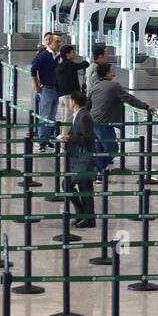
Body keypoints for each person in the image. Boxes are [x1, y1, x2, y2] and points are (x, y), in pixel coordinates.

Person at [87, 61, 155, 173]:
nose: (113, 75)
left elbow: (88, 104)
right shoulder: (114, 86)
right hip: (103, 123)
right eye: (111, 72)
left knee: (98, 149)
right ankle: (96, 171)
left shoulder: (94, 87)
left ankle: (97, 173)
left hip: (93, 121)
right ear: (106, 73)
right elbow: (129, 99)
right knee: (112, 149)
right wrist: (146, 106)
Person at [60, 90, 96, 227]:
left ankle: (89, 218)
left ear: (74, 102)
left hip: (84, 159)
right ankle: (82, 213)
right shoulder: (78, 115)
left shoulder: (84, 116)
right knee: (68, 185)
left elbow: (88, 139)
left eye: (70, 100)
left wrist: (70, 138)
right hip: (77, 159)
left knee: (85, 189)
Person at [30, 34, 62, 146]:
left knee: (52, 116)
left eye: (60, 42)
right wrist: (36, 85)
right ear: (50, 43)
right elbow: (33, 70)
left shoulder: (57, 57)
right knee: (45, 116)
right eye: (57, 42)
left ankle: (48, 137)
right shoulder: (43, 55)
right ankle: (42, 140)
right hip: (46, 89)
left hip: (56, 89)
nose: (59, 44)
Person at [54, 43, 89, 126]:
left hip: (61, 96)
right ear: (67, 54)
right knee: (68, 120)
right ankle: (64, 138)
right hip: (69, 97)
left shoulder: (58, 66)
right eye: (73, 52)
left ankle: (63, 136)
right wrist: (85, 59)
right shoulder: (69, 64)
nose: (74, 54)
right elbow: (84, 65)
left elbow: (55, 82)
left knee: (64, 119)